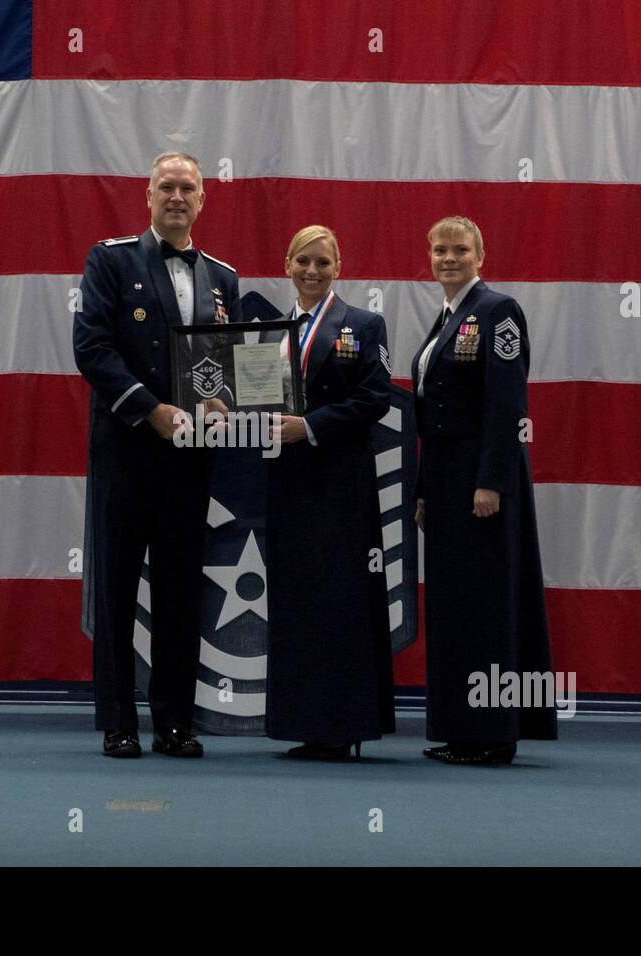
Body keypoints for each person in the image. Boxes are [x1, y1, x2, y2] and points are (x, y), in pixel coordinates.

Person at [74, 152, 241, 758]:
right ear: (147, 196)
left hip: (190, 460)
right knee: (117, 590)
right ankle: (119, 720)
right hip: (127, 451)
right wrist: (152, 409)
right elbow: (92, 348)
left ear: (203, 201)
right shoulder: (110, 259)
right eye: (166, 187)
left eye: (187, 189)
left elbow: (221, 367)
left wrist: (221, 400)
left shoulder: (223, 276)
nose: (177, 197)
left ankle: (174, 721)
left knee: (179, 593)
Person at [410, 215, 557, 765]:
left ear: (481, 255)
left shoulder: (498, 312)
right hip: (447, 482)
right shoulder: (446, 318)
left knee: (488, 605)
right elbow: (431, 418)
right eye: (440, 250)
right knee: (454, 606)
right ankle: (459, 727)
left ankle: (493, 733)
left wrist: (491, 480)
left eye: (460, 250)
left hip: (483, 480)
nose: (449, 258)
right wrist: (425, 489)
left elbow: (506, 403)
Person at [263, 225, 396, 760]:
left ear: (338, 266)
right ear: (286, 264)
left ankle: (343, 724)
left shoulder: (364, 324)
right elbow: (258, 400)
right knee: (297, 602)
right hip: (288, 484)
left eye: (322, 262)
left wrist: (310, 426)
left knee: (341, 602)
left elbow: (376, 397)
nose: (312, 271)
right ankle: (305, 722)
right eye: (303, 261)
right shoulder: (270, 331)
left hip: (342, 485)